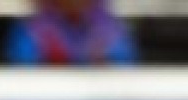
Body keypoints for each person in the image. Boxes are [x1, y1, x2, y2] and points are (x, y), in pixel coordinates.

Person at [7, 0, 137, 65]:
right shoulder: (32, 31)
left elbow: (126, 70)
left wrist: (103, 63)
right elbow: (21, 75)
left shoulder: (112, 30)